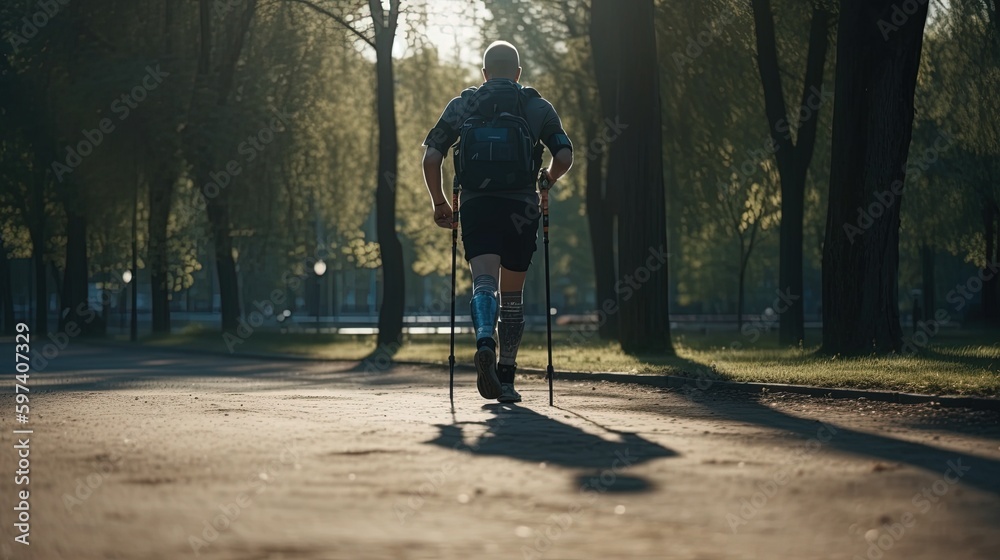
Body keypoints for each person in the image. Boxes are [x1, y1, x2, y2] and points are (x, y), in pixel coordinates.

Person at [422, 40, 574, 403]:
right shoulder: (535, 105)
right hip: (521, 208)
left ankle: (483, 340)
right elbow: (565, 154)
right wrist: (546, 180)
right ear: (518, 73)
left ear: (485, 73)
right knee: (513, 297)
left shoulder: (464, 104)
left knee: (484, 283)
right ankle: (505, 378)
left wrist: (441, 203)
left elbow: (431, 158)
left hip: (476, 206)